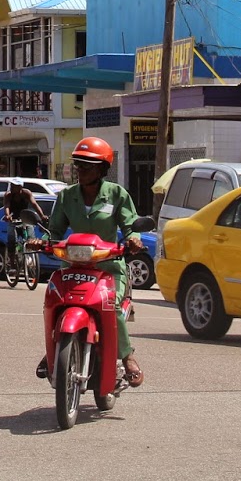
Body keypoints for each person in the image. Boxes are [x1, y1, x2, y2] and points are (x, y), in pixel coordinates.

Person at [31, 136, 146, 387]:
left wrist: (133, 239)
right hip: (73, 267)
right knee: (54, 302)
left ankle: (127, 356)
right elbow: (54, 231)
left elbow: (130, 226)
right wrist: (42, 241)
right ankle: (55, 349)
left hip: (108, 267)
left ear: (102, 169)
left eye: (87, 166)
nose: (80, 170)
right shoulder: (66, 196)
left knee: (112, 308)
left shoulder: (116, 194)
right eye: (78, 165)